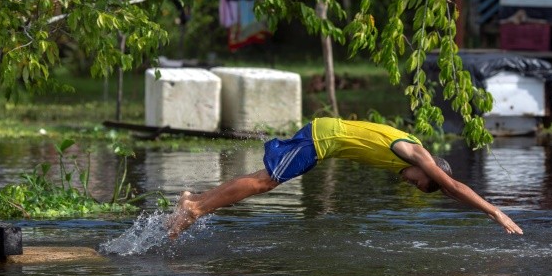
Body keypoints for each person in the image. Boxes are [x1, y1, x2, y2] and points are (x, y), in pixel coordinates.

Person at [165, 118, 523, 238]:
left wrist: (476, 209)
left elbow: (450, 192)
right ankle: (196, 207)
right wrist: (494, 211)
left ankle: (193, 200)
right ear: (429, 170)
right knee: (265, 182)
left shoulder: (415, 154)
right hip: (322, 138)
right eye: (417, 182)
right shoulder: (417, 154)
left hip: (324, 142)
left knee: (265, 180)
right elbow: (454, 187)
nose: (408, 182)